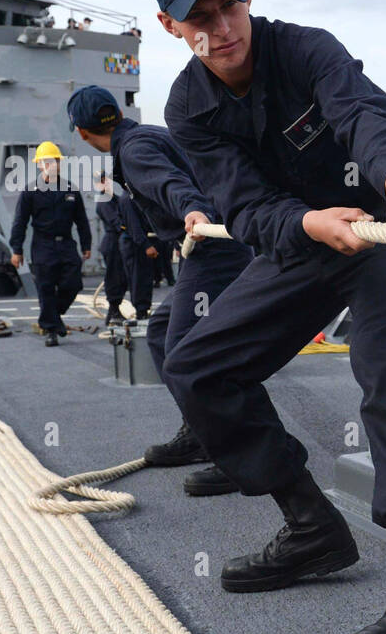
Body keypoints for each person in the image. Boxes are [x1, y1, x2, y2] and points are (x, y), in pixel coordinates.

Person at [154, 0, 386, 634]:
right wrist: (302, 225)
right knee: (199, 365)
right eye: (197, 18)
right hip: (306, 239)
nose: (219, 28)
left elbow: (364, 113)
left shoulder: (306, 51)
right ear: (172, 28)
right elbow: (242, 203)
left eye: (226, 6)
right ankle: (311, 525)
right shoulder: (187, 107)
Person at [68, 84, 252, 497]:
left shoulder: (134, 150)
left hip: (213, 248)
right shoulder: (149, 134)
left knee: (190, 355)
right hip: (209, 250)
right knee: (161, 333)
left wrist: (191, 210)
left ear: (80, 132)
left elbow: (170, 184)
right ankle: (199, 433)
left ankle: (236, 455)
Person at [8, 142, 91, 347]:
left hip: (67, 245)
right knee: (45, 288)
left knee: (73, 284)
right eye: (45, 162)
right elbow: (20, 222)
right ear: (39, 165)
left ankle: (53, 317)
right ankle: (52, 330)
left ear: (59, 163)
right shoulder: (30, 192)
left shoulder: (71, 190)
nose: (50, 165)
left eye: (53, 161)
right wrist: (16, 250)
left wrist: (86, 244)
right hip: (43, 246)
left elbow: (81, 220)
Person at [92, 172, 128, 325]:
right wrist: (130, 227)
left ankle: (115, 311)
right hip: (112, 242)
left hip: (119, 241)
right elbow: (117, 223)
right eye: (101, 181)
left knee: (122, 277)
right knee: (114, 277)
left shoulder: (115, 199)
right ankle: (113, 310)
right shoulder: (104, 200)